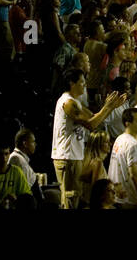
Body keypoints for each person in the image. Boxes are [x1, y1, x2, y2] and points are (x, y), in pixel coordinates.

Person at [52, 66, 123, 209]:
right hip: (67, 157)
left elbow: (93, 117)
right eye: (82, 82)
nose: (85, 85)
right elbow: (91, 125)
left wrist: (111, 107)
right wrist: (108, 107)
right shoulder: (68, 102)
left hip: (74, 156)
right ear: (72, 83)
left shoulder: (75, 101)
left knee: (75, 197)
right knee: (70, 199)